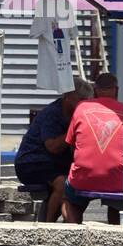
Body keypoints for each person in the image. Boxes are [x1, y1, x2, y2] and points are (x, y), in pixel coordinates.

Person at [14, 79, 93, 222]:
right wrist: (74, 129)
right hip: (33, 162)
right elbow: (53, 147)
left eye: (86, 100)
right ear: (68, 96)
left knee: (84, 181)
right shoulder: (52, 114)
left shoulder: (77, 114)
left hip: (55, 163)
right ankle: (48, 226)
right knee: (62, 183)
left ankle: (70, 220)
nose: (84, 104)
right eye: (80, 99)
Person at [62, 73, 123, 224]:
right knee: (118, 204)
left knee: (69, 197)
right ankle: (115, 238)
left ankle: (74, 234)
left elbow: (71, 144)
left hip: (83, 178)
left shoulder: (81, 108)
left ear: (95, 90)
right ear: (116, 90)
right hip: (117, 181)